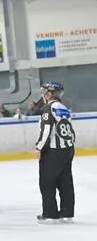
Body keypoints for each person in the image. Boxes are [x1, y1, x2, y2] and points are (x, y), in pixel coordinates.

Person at [35, 82, 75, 222]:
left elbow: (47, 130)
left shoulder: (48, 108)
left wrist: (39, 147)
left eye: (45, 91)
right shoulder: (64, 108)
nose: (43, 94)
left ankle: (50, 214)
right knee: (65, 182)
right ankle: (67, 213)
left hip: (53, 151)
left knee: (47, 182)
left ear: (50, 94)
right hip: (67, 149)